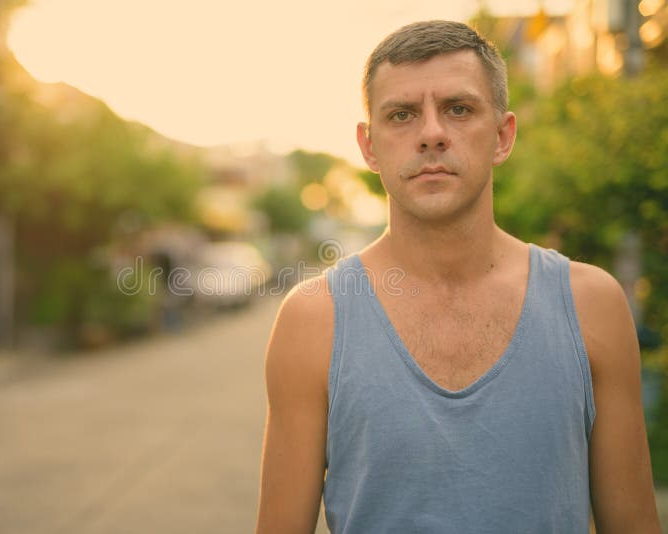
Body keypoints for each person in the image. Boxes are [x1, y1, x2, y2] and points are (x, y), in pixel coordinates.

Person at [255, 20, 661, 533]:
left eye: (458, 109)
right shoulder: (313, 319)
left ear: (502, 136)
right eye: (401, 115)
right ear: (369, 146)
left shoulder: (591, 305)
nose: (431, 134)